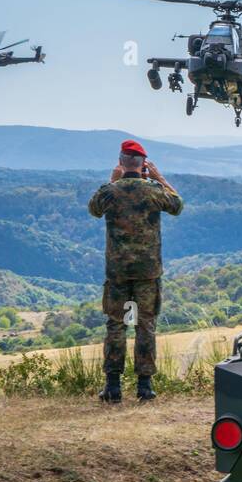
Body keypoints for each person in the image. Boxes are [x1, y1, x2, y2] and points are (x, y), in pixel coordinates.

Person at [88, 139, 183, 403]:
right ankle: (144, 386)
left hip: (117, 271)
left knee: (116, 325)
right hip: (147, 271)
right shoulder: (153, 190)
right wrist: (159, 177)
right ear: (143, 165)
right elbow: (177, 205)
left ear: (120, 163)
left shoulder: (112, 191)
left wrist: (112, 180)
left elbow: (94, 209)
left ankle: (113, 386)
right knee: (145, 326)